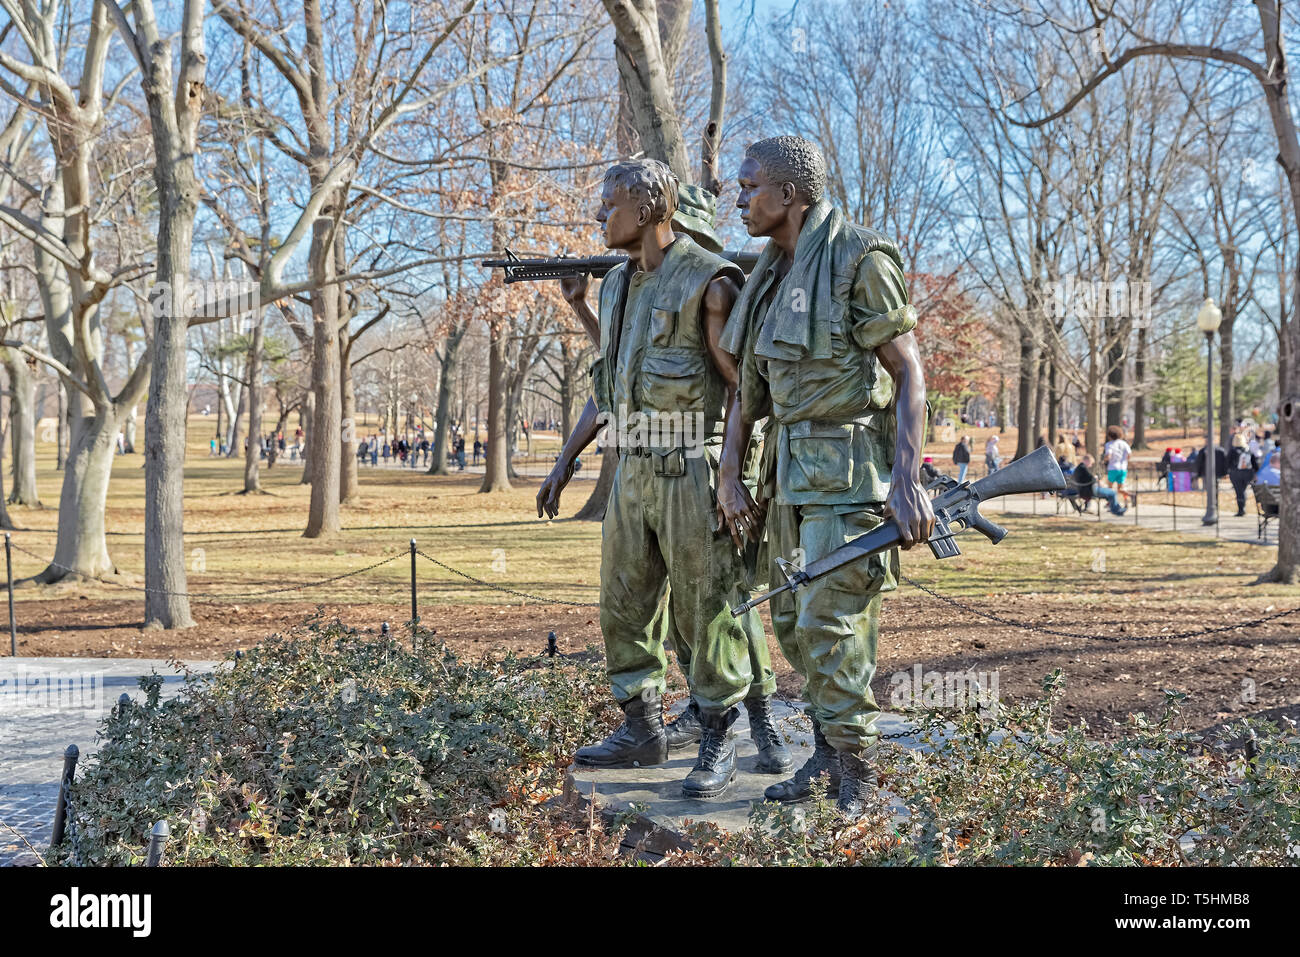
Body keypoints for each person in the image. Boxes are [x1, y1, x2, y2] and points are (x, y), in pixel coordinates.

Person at [536, 158, 790, 800]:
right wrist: (565, 463)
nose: (598, 214)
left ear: (650, 209)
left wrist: (731, 476)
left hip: (691, 470)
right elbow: (611, 384)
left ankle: (717, 741)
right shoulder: (617, 286)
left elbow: (743, 390)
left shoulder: (710, 284)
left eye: (608, 203)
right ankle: (641, 728)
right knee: (622, 600)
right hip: (633, 474)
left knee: (706, 609)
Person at [716, 135, 933, 818]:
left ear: (791, 194)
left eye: (750, 186)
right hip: (788, 482)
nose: (740, 197)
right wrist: (730, 474)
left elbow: (910, 373)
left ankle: (860, 772)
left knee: (831, 622)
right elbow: (744, 395)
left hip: (847, 477)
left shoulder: (858, 259)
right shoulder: (767, 277)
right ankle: (827, 752)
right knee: (793, 622)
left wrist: (907, 478)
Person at [1229, 434, 1260, 516]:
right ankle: (1242, 508)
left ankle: (1241, 509)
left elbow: (1227, 463)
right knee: (1242, 491)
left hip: (1236, 474)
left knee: (1239, 492)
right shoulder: (1248, 450)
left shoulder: (1232, 451)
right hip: (1248, 474)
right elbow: (1254, 464)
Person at [1101, 425, 1131, 506]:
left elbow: (1109, 455)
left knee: (1109, 487)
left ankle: (1110, 502)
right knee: (1120, 488)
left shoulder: (1109, 444)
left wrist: (1104, 460)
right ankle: (1127, 498)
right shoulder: (1124, 444)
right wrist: (1125, 461)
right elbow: (1129, 454)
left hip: (1113, 468)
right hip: (1123, 468)